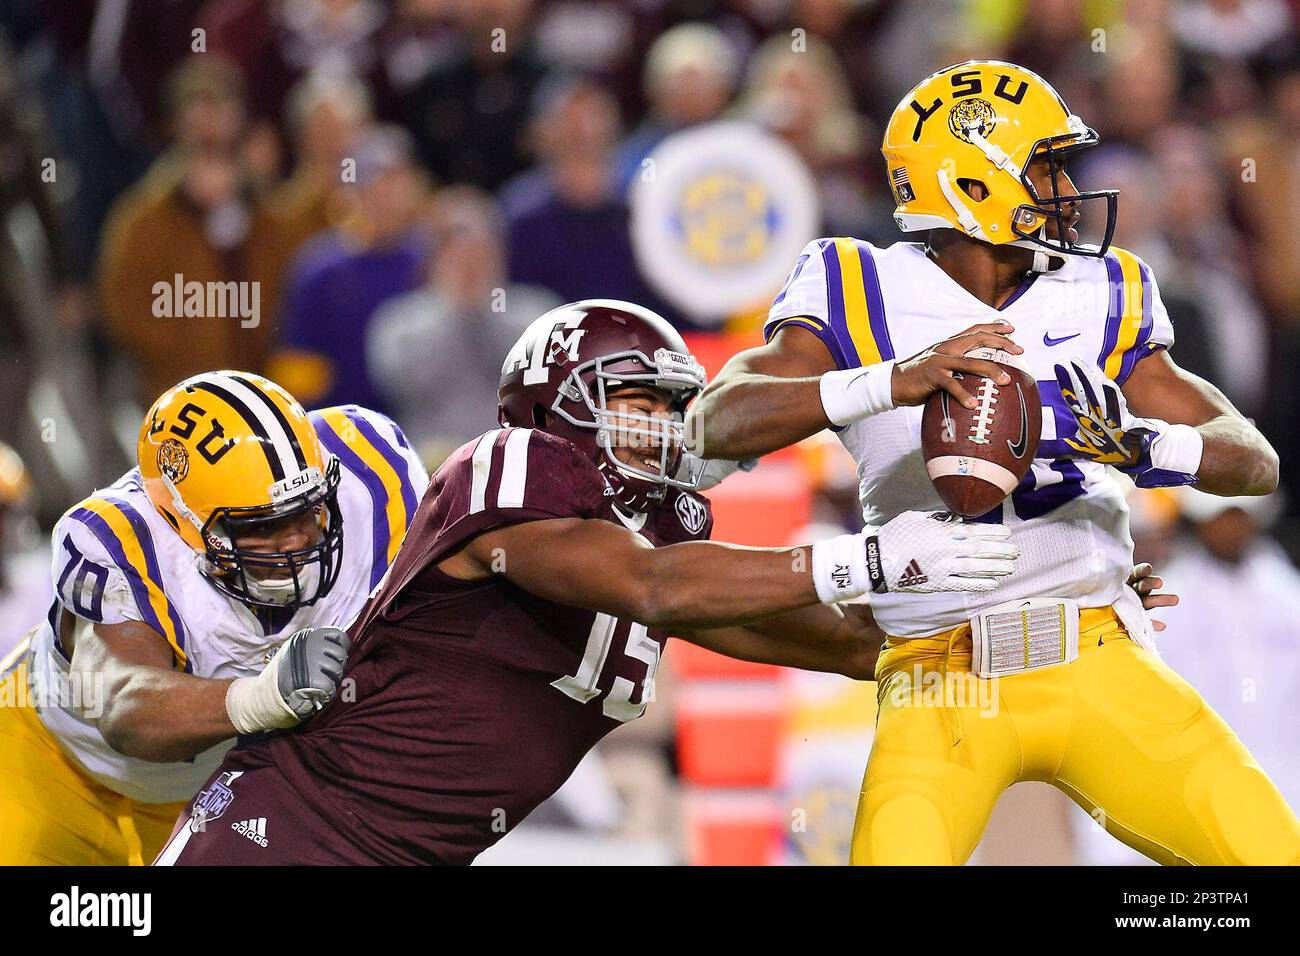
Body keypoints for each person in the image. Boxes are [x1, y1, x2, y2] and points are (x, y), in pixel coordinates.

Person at [686, 60, 1300, 865]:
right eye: (1045, 165)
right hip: (939, 671)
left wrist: (1149, 447)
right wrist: (888, 383)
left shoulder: (1101, 288)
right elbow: (714, 424)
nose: (1066, 187)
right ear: (971, 184)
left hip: (1097, 652)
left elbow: (1254, 462)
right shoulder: (856, 285)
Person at [156, 299, 1022, 865]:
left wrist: (1034, 608)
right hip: (290, 829)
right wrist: (869, 555)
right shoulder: (509, 466)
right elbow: (653, 589)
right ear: (555, 401)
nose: (662, 425)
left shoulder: (670, 528)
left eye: (671, 406)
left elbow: (843, 645)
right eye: (636, 399)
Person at [0, 371, 426, 865]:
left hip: (213, 791)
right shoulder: (127, 539)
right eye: (262, 525)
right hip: (48, 765)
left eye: (306, 512)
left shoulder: (369, 472)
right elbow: (121, 704)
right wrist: (262, 697)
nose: (295, 542)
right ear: (186, 522)